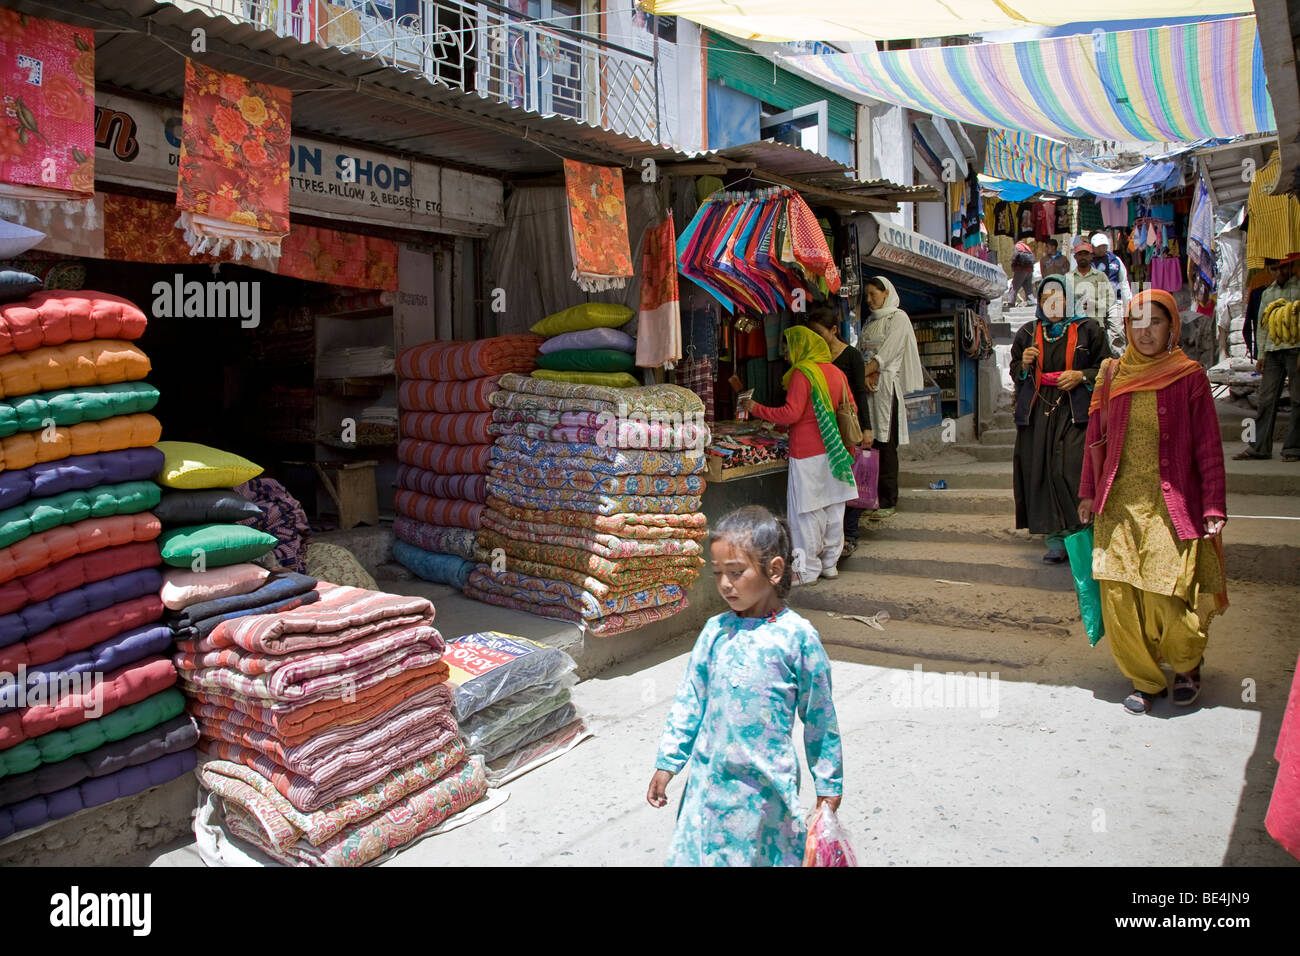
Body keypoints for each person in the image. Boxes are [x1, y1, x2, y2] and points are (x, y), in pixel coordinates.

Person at [646, 505, 844, 866]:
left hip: (765, 795)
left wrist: (828, 785)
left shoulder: (797, 638)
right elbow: (690, 700)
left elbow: (820, 718)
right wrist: (668, 762)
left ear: (774, 570)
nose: (724, 584)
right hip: (708, 789)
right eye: (718, 573)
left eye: (736, 573)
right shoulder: (714, 632)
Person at [1078, 290, 1228, 715]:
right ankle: (1145, 678)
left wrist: (1213, 504)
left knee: (1166, 594)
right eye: (1137, 323)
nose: (1145, 333)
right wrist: (1087, 493)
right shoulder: (1111, 373)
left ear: (1171, 327)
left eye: (1155, 322)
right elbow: (1095, 439)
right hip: (1118, 503)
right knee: (1119, 596)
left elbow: (1208, 447)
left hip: (1170, 503)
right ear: (1126, 328)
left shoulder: (1189, 376)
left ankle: (1186, 663)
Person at [738, 325, 859, 584]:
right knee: (833, 510)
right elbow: (852, 407)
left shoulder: (803, 374)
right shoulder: (837, 372)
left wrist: (756, 408)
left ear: (800, 347)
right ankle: (830, 565)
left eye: (787, 347)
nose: (784, 353)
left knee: (805, 514)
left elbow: (791, 414)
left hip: (807, 454)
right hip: (836, 452)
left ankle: (806, 570)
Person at [1011, 273, 1108, 563]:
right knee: (1040, 470)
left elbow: (1107, 365)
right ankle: (1055, 537)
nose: (1051, 302)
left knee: (1070, 469)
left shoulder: (1089, 329)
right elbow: (1016, 372)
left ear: (1068, 299)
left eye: (1058, 296)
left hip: (1076, 411)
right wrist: (1024, 365)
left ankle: (1081, 533)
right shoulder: (1028, 333)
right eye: (1045, 297)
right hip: (1039, 413)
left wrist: (1081, 376)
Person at [803, 306, 873, 558]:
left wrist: (866, 428)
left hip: (844, 425)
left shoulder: (851, 356)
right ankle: (831, 539)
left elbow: (860, 393)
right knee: (829, 483)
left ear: (834, 330)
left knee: (849, 479)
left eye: (820, 333)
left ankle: (850, 534)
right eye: (813, 334)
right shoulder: (811, 358)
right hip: (819, 428)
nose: (817, 338)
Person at [859, 276, 924, 520]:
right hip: (868, 389)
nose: (869, 300)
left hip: (886, 390)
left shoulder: (899, 319)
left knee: (886, 445)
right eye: (866, 296)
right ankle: (870, 497)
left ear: (886, 293)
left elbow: (885, 355)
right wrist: (863, 377)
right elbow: (862, 353)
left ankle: (888, 499)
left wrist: (864, 372)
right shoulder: (868, 322)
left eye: (873, 295)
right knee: (870, 443)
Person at [1235, 255, 1300, 462]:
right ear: (1269, 271)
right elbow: (1262, 328)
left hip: (1295, 350)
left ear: (1290, 266)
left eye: (1282, 268)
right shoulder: (1268, 294)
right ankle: (1259, 447)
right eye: (1274, 270)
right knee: (1266, 400)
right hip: (1272, 352)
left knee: (1298, 399)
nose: (1279, 273)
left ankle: (1293, 447)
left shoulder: (1298, 289)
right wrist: (1260, 354)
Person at [1070, 235, 1125, 355]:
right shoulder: (1068, 278)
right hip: (1075, 326)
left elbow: (1109, 299)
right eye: (1080, 254)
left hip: (1096, 324)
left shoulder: (1100, 276)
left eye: (1086, 254)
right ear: (1075, 257)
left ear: (1091, 256)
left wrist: (1094, 304)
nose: (1083, 257)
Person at [1091, 232, 1132, 313]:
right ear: (1092, 247)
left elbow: (1123, 282)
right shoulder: (1087, 262)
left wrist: (1127, 303)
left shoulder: (1116, 260)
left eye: (1104, 246)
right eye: (1098, 246)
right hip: (1094, 303)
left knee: (1116, 325)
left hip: (1114, 302)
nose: (1101, 249)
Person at [1006, 241, 1036, 306]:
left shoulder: (1017, 246)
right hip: (1029, 269)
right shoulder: (1027, 247)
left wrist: (1013, 266)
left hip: (1021, 269)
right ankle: (1031, 301)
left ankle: (1011, 302)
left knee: (1014, 286)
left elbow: (1015, 256)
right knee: (1028, 287)